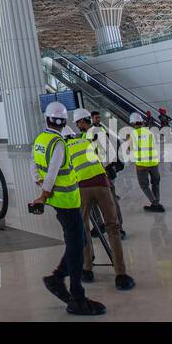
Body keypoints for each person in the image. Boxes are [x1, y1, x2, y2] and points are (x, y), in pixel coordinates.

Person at [34, 103, 105, 315]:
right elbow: (54, 171)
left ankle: (58, 279)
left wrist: (40, 185)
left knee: (80, 242)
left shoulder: (40, 140)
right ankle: (76, 296)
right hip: (67, 201)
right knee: (77, 246)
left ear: (47, 119)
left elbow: (34, 167)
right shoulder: (59, 143)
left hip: (59, 201)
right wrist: (43, 195)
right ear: (66, 122)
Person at [69, 111, 134, 290]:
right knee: (112, 226)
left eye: (78, 123)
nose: (77, 126)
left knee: (83, 229)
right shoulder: (96, 134)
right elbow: (111, 155)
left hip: (83, 187)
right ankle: (121, 274)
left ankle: (87, 268)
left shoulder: (79, 140)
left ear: (83, 121)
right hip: (102, 181)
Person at [129, 113, 164, 212]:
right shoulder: (150, 132)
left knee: (144, 185)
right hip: (153, 163)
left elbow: (130, 149)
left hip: (141, 165)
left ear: (133, 123)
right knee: (155, 183)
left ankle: (155, 203)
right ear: (142, 122)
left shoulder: (132, 134)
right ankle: (156, 202)